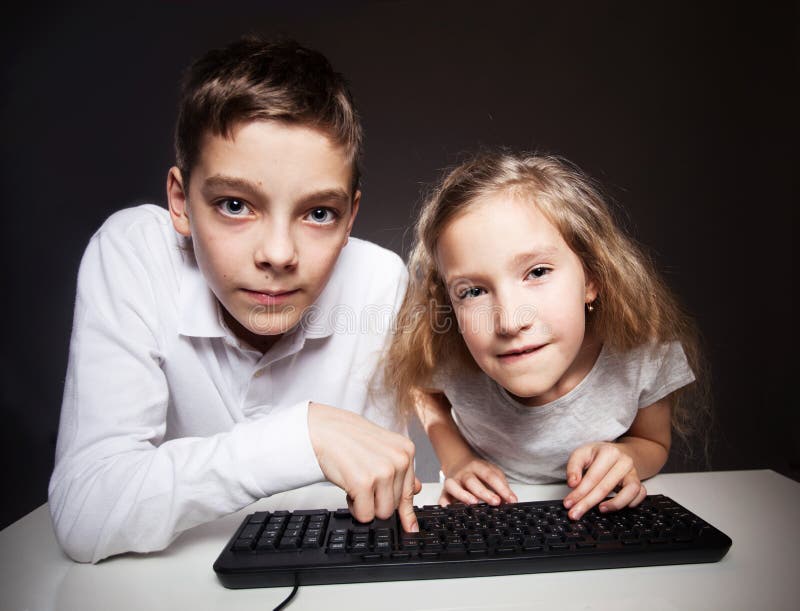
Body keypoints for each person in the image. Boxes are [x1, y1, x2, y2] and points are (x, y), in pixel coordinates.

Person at [49, 36, 420, 564]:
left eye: (319, 213)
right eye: (234, 204)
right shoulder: (134, 253)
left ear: (350, 219)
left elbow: (378, 491)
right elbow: (85, 512)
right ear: (180, 202)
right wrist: (300, 435)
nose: (277, 253)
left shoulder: (379, 279)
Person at [386, 151, 709, 521]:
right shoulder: (451, 350)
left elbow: (653, 442)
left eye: (537, 272)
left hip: (595, 522)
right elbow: (421, 389)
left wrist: (629, 456)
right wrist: (457, 459)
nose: (508, 322)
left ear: (592, 277)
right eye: (472, 291)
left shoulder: (641, 353)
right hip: (482, 517)